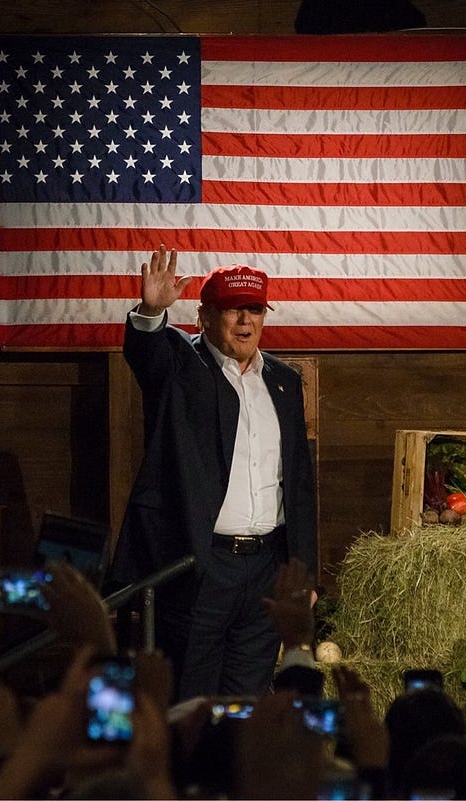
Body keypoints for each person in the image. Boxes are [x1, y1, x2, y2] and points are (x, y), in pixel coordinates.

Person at [108, 245, 318, 701]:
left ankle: (234, 773)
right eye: (231, 310)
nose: (245, 321)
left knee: (246, 705)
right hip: (201, 568)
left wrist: (304, 573)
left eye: (254, 310)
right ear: (204, 317)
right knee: (191, 702)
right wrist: (150, 311)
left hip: (267, 569)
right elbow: (146, 352)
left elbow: (298, 484)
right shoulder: (182, 366)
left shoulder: (285, 382)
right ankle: (190, 775)